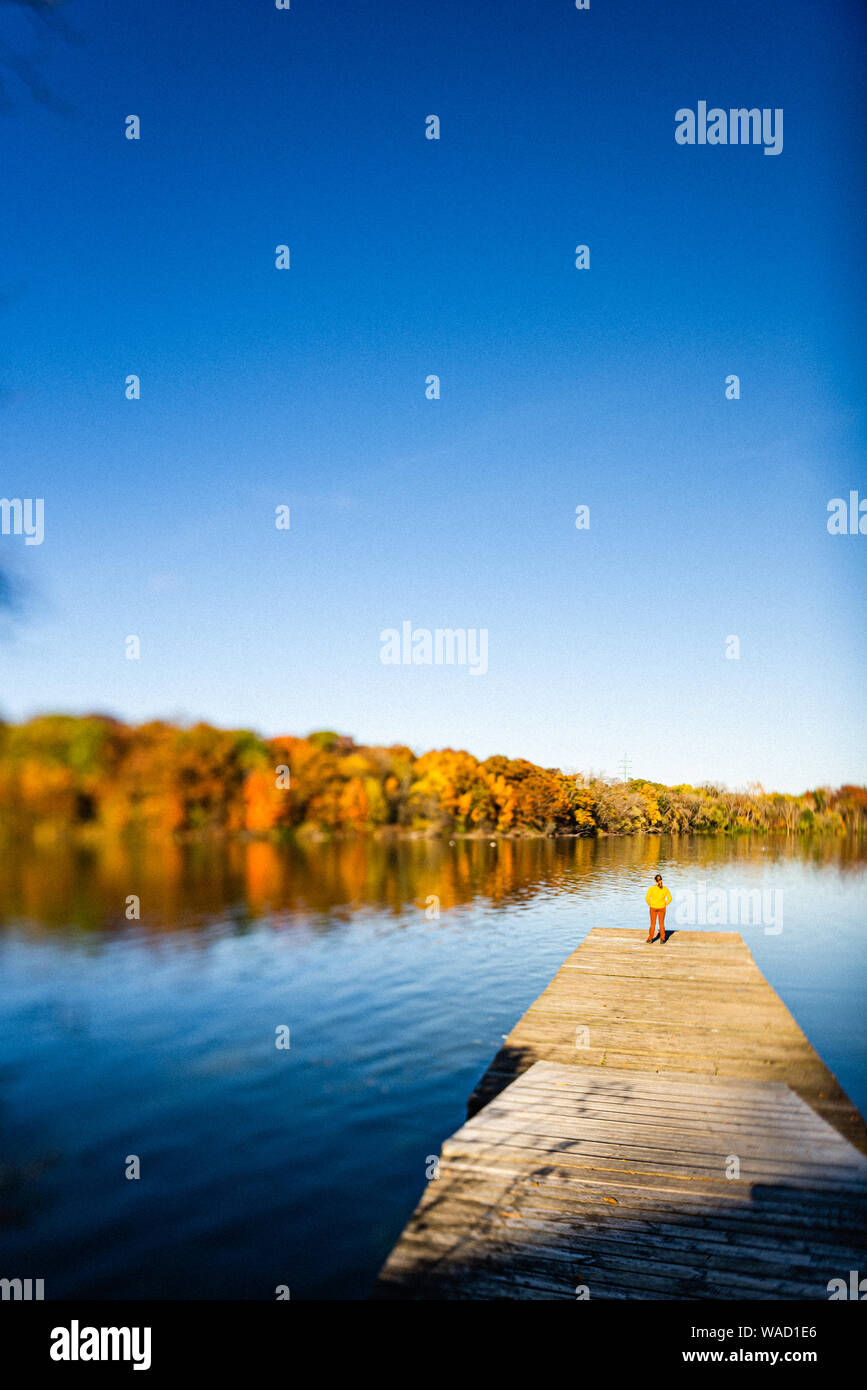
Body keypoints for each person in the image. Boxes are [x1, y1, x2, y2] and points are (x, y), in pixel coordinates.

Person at [645, 873, 672, 943]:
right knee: (661, 923)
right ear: (661, 880)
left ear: (655, 880)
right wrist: (665, 903)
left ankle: (650, 939)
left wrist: (650, 904)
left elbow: (647, 898)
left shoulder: (651, 888)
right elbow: (670, 898)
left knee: (653, 923)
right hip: (662, 908)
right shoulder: (665, 889)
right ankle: (662, 939)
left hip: (653, 907)